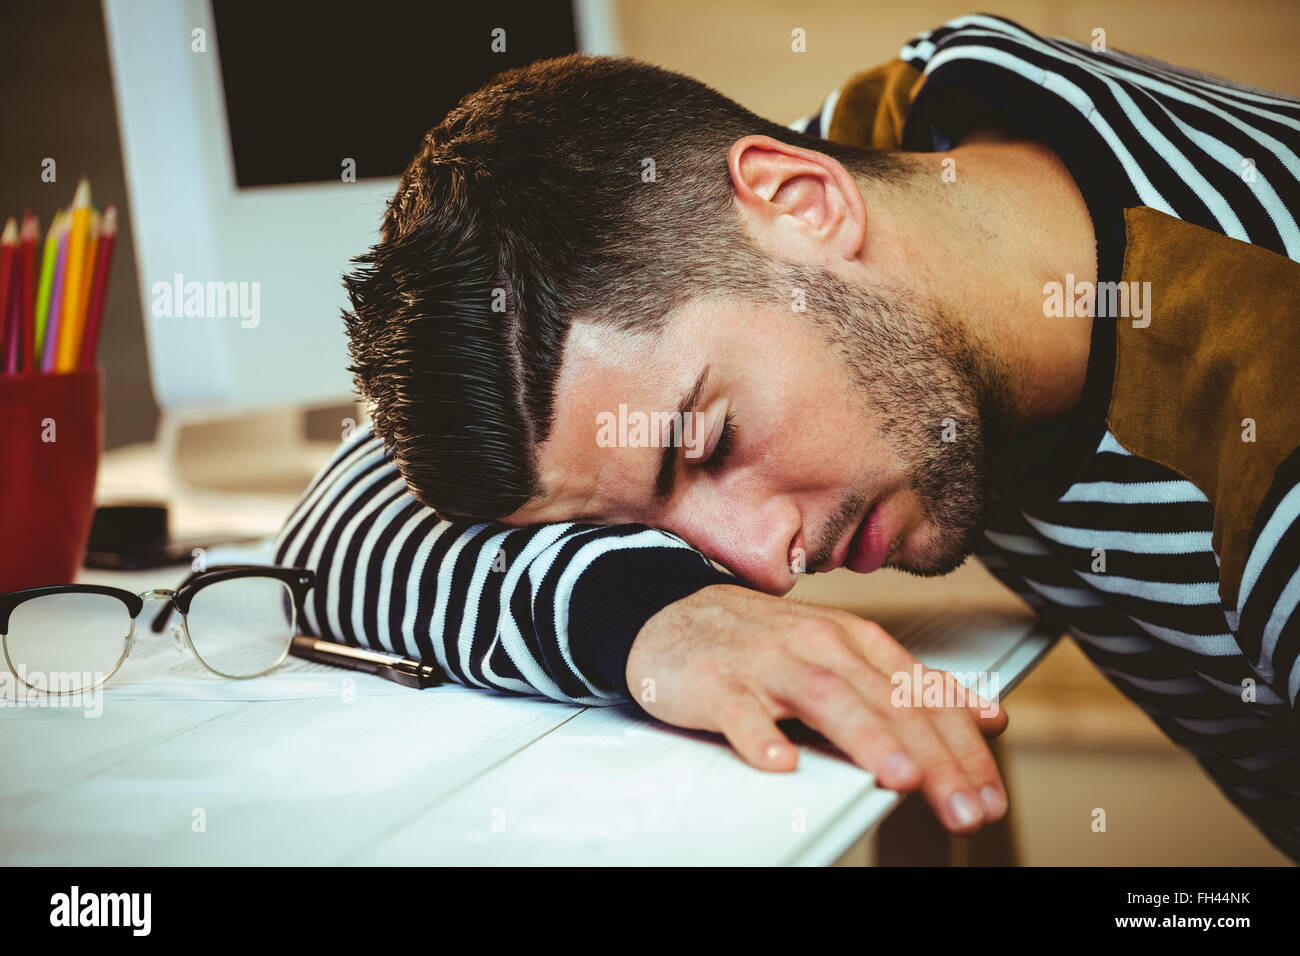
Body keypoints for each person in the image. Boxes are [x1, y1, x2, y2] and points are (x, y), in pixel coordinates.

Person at [275, 14, 1300, 857]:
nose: (763, 566)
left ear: (807, 206)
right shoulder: (891, 138)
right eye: (661, 521)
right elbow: (341, 516)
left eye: (709, 443)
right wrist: (648, 613)